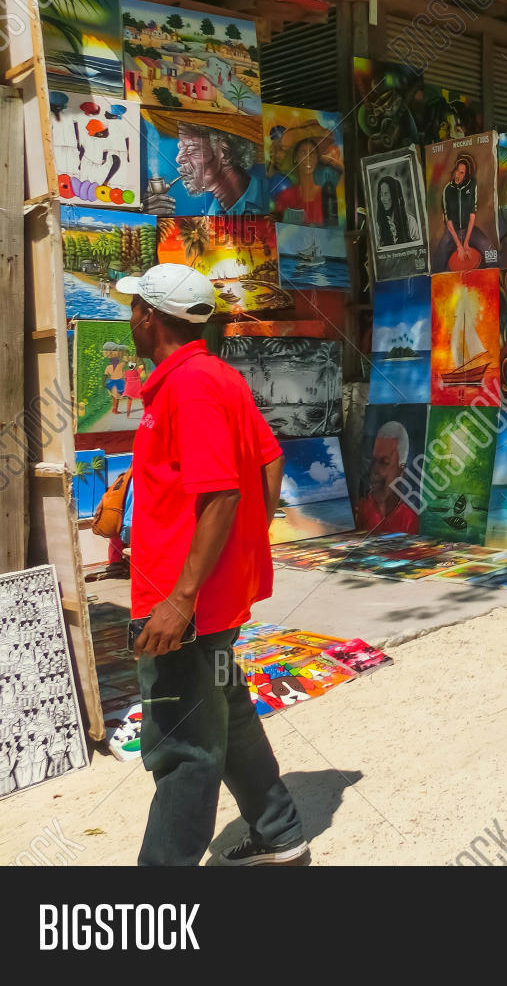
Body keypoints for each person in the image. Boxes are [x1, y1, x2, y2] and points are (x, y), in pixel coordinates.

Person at [118, 262, 309, 865]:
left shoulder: (190, 387)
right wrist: (248, 539)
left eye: (134, 309)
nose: (131, 319)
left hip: (185, 605)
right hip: (211, 597)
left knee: (182, 748)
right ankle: (279, 831)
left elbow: (224, 490)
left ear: (151, 317)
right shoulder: (216, 377)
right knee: (228, 710)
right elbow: (269, 458)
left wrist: (180, 597)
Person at [357, 421, 420, 534]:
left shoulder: (410, 520)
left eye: (384, 462)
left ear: (401, 469)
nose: (374, 470)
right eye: (373, 461)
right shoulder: (361, 509)